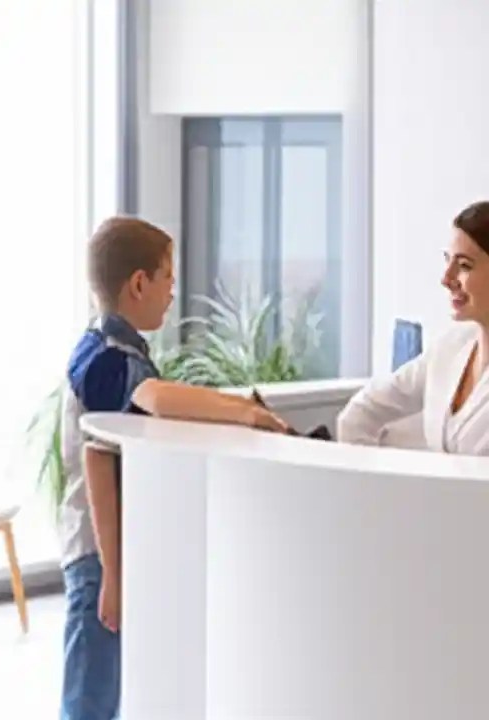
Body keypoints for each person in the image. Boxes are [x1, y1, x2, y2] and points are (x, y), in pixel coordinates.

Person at [61, 218, 290, 720]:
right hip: (97, 555)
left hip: (110, 553)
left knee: (109, 693)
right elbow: (103, 454)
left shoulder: (119, 351)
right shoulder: (105, 359)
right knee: (89, 700)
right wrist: (115, 577)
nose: (172, 292)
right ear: (138, 283)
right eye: (168, 277)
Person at [338, 201, 489, 453]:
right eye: (447, 261)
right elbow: (359, 414)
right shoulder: (450, 347)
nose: (446, 279)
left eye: (464, 265)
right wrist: (370, 484)